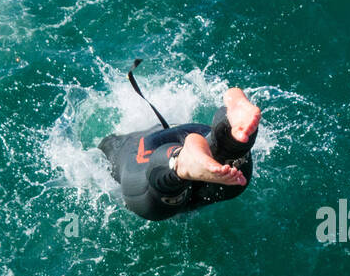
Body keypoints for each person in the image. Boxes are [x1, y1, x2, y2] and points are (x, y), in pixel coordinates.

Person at [98, 85, 261, 221]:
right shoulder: (178, 129)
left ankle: (181, 162)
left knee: (156, 182)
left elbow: (105, 152)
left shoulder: (120, 143)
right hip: (218, 164)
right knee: (229, 145)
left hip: (164, 183)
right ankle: (231, 128)